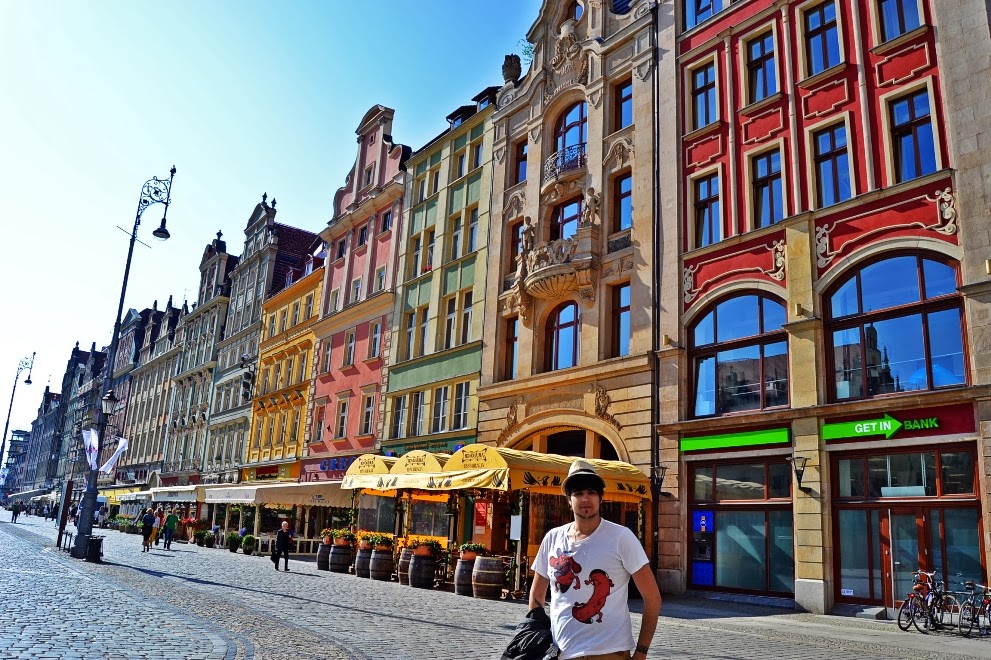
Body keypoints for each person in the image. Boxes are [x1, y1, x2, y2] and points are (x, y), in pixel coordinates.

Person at [528, 460, 661, 660]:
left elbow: (652, 597)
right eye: (578, 493)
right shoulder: (552, 538)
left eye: (591, 492)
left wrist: (641, 652)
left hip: (608, 653)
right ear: (568, 500)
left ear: (601, 498)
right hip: (562, 653)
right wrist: (538, 639)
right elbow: (537, 596)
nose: (585, 499)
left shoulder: (621, 537)